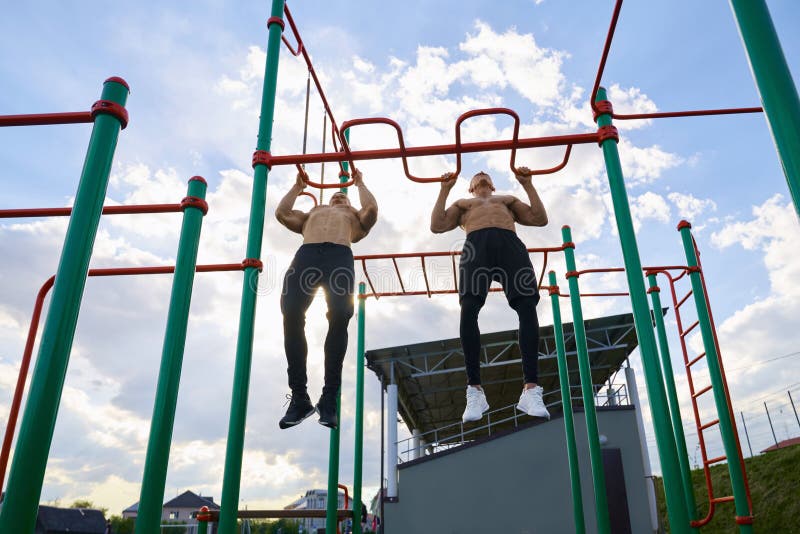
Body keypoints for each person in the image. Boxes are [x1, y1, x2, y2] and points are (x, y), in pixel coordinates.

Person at [430, 168, 550, 423]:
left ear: (492, 185)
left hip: (510, 245)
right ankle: (474, 390)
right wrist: (444, 189)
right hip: (476, 247)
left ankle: (531, 390)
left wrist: (528, 185)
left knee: (527, 305)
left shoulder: (506, 200)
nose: (481, 174)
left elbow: (539, 219)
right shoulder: (463, 204)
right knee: (470, 307)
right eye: (476, 176)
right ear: (471, 187)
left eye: (486, 175)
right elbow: (437, 225)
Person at [275, 168, 378, 429]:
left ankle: (329, 397)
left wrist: (360, 183)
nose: (337, 198)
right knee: (291, 312)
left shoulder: (355, 217)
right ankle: (300, 398)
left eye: (343, 198)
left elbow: (372, 209)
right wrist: (297, 188)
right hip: (307, 255)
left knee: (341, 315)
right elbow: (282, 213)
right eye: (334, 196)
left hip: (339, 256)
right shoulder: (313, 212)